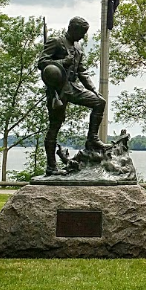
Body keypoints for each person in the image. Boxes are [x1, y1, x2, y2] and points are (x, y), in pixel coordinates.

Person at [38, 16, 109, 176]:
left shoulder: (78, 47)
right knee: (55, 126)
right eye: (82, 32)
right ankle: (51, 167)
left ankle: (92, 139)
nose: (83, 36)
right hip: (58, 89)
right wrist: (63, 62)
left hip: (72, 87)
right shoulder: (56, 41)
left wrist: (93, 89)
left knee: (99, 102)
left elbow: (82, 71)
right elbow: (41, 62)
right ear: (73, 29)